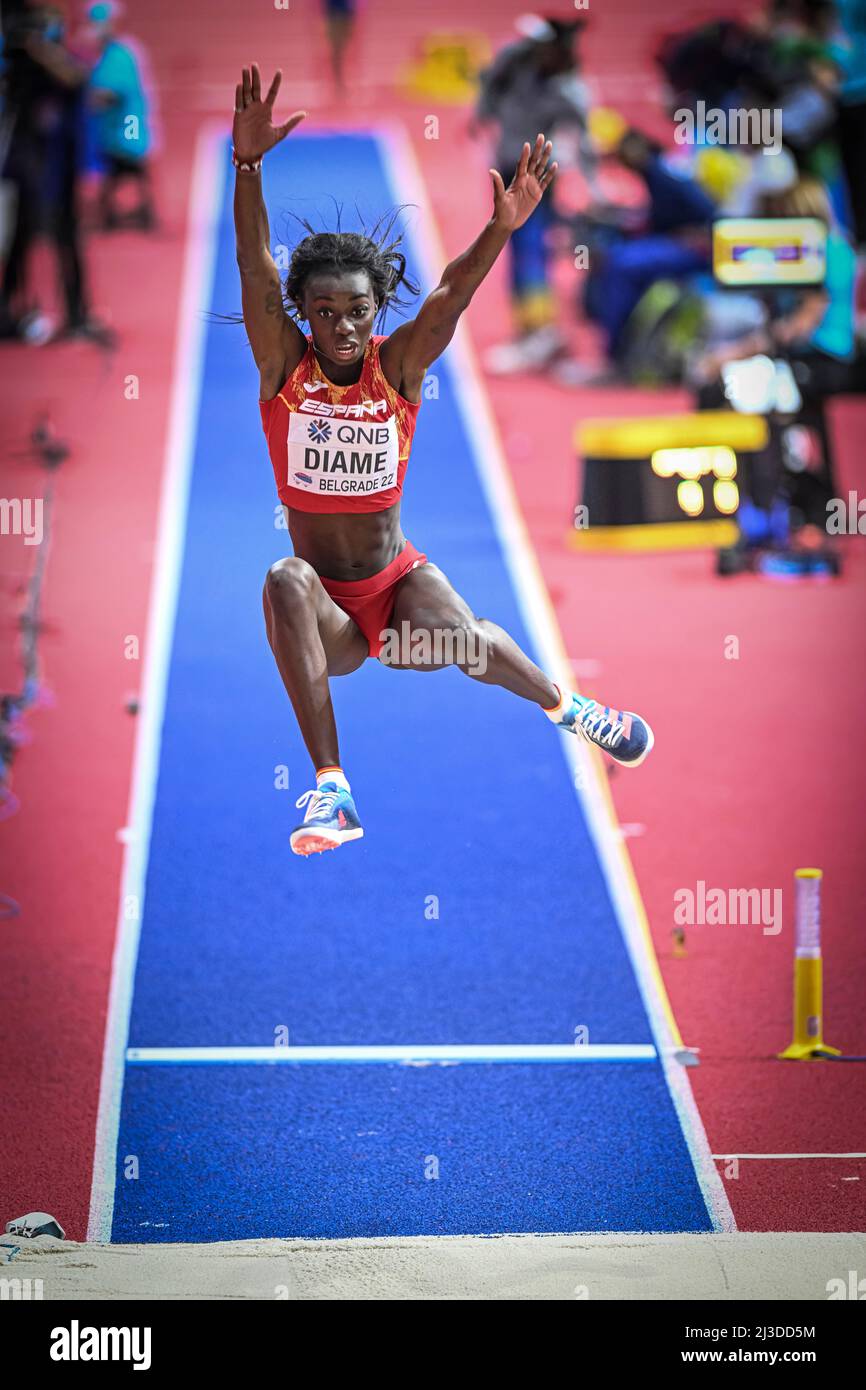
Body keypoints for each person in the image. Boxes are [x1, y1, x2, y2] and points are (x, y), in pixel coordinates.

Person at [232, 66, 654, 856]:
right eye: (324, 313)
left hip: (396, 594)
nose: (342, 326)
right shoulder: (281, 371)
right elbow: (257, 268)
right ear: (305, 317)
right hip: (333, 619)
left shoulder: (398, 371)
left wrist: (502, 228)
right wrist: (247, 168)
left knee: (465, 637)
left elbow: (450, 296)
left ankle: (570, 709)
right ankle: (332, 790)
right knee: (283, 576)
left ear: (373, 309)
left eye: (356, 310)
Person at [473, 15, 598, 375]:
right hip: (507, 165)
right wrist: (482, 115)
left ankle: (541, 333)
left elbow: (585, 137)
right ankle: (529, 329)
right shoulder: (514, 60)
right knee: (511, 246)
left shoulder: (569, 89)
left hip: (537, 175)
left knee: (532, 248)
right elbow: (489, 90)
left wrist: (593, 187)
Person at [86, 1, 156, 231]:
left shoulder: (119, 54)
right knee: (123, 169)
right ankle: (132, 210)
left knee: (128, 161)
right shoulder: (110, 53)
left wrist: (86, 97)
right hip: (121, 125)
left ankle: (142, 212)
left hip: (128, 124)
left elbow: (114, 93)